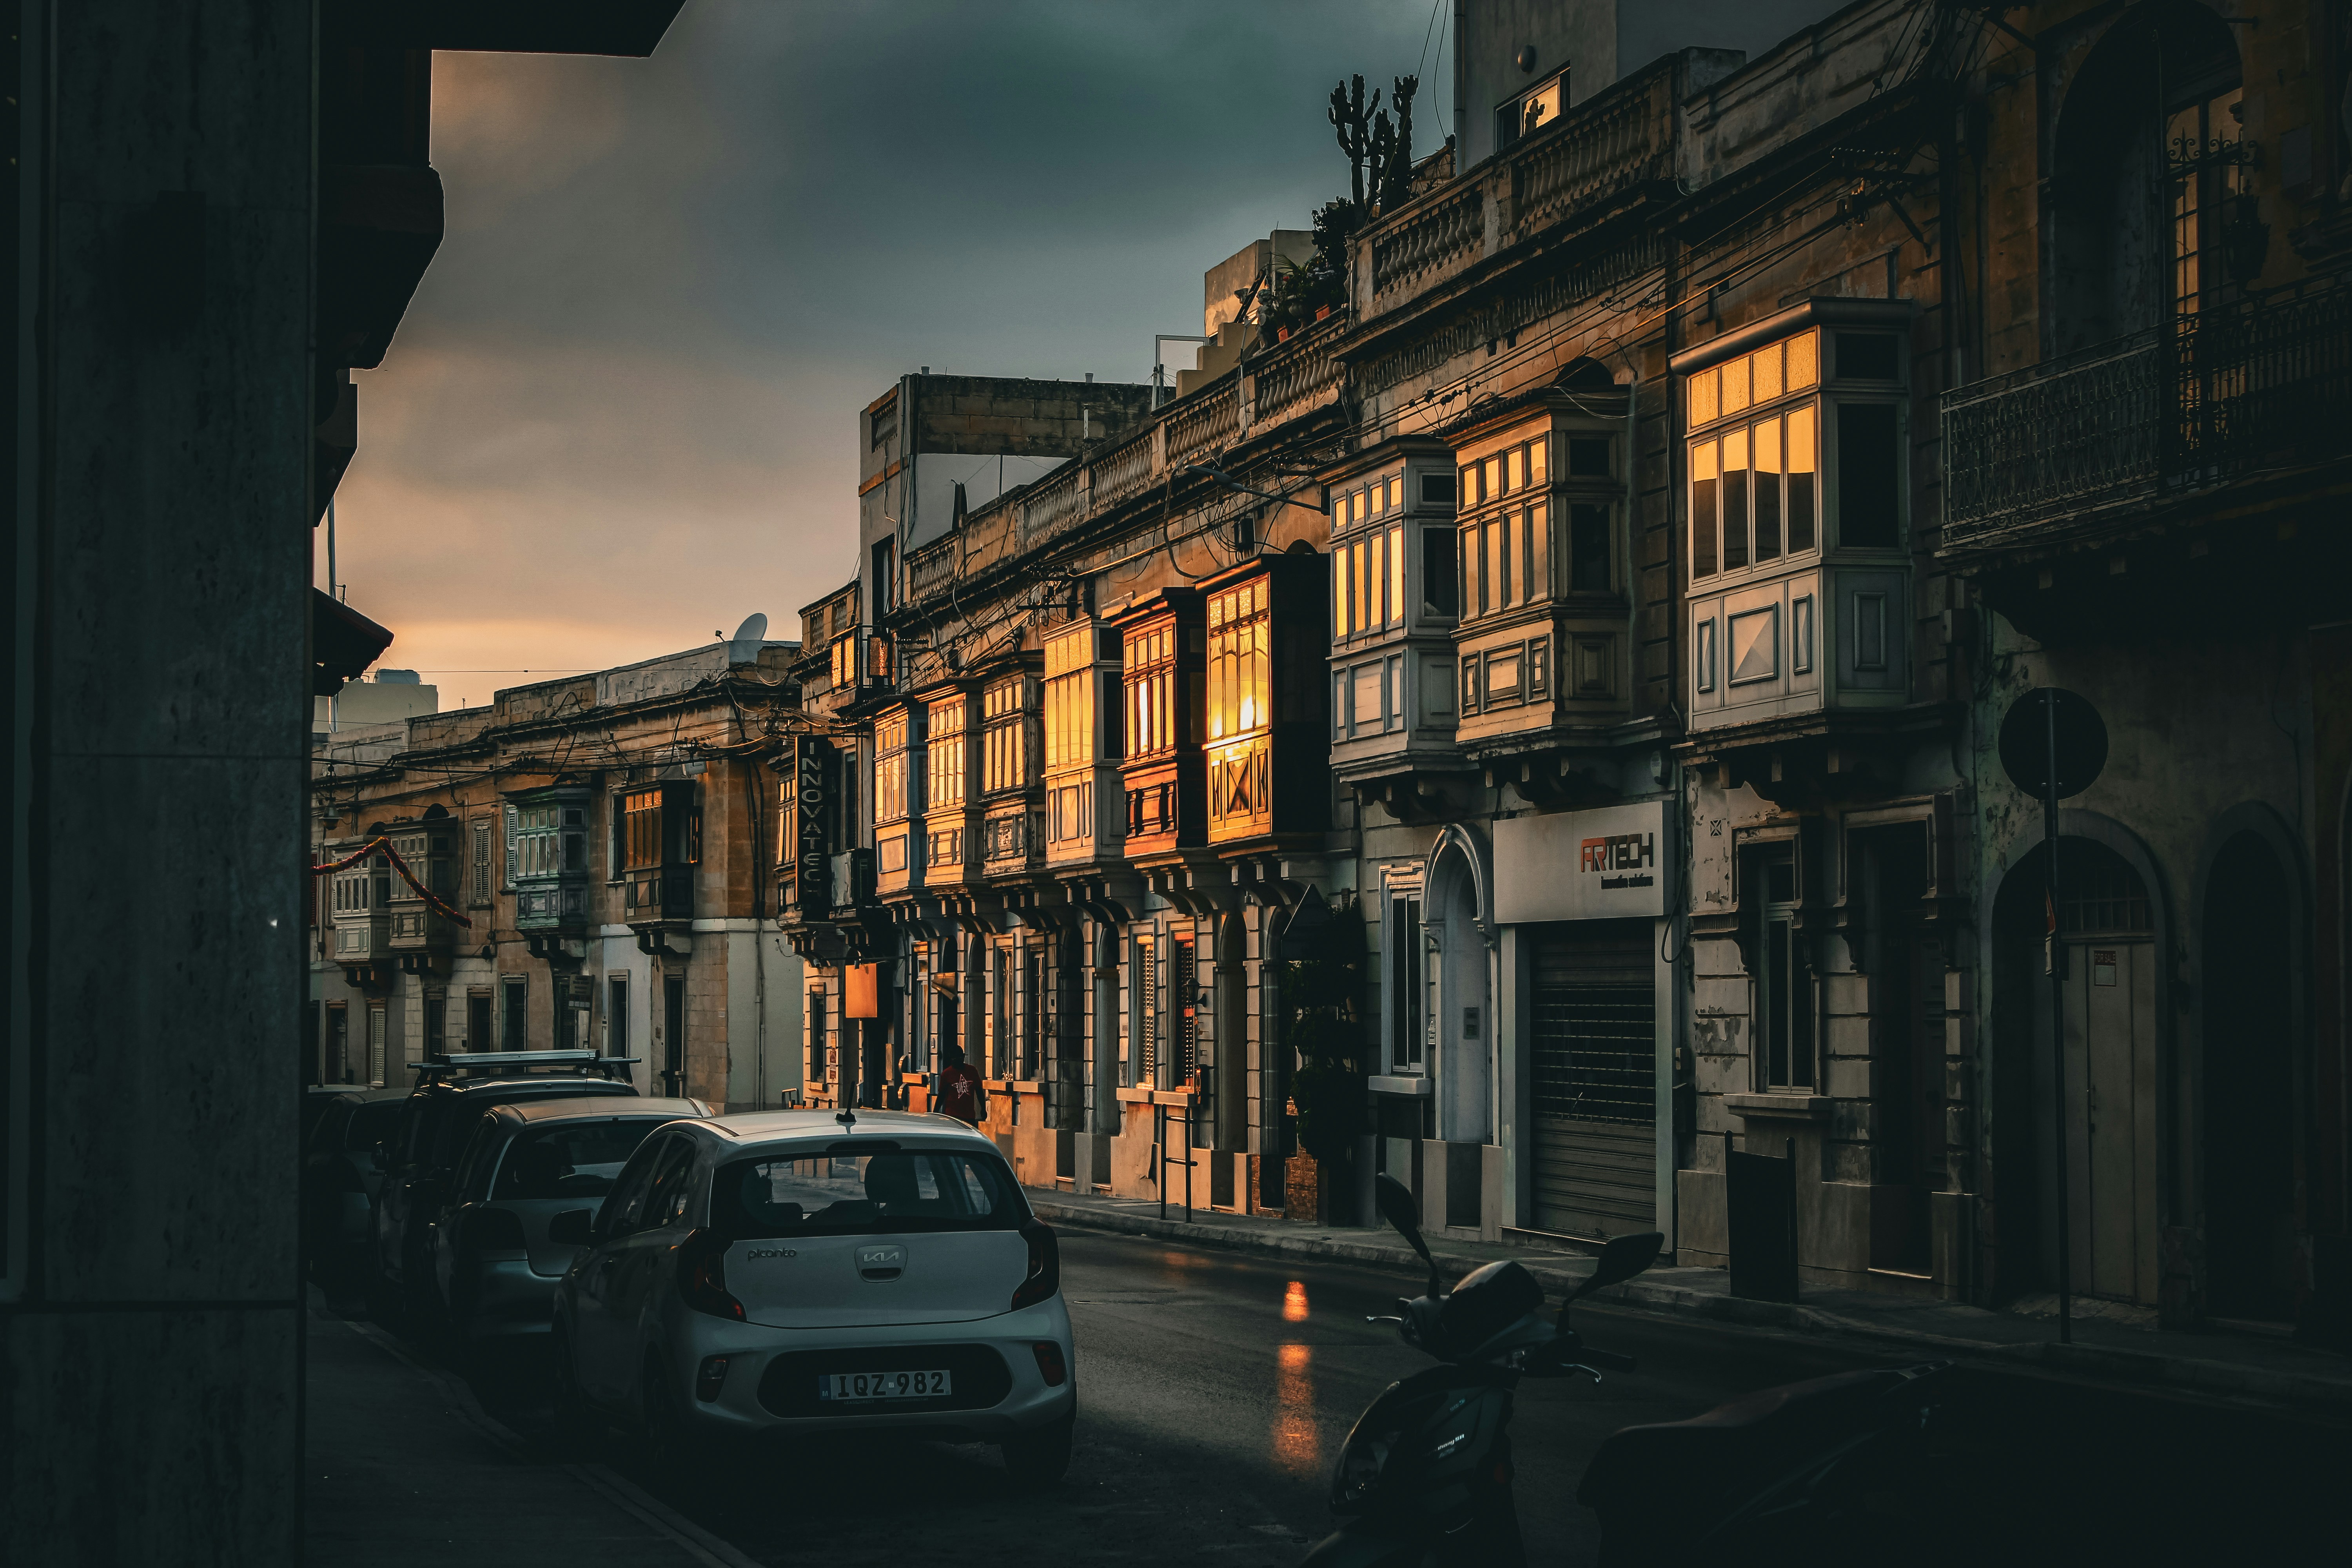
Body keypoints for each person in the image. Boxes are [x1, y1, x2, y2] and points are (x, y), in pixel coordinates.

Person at [934, 1042, 986, 1127]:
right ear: (951, 1059)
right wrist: (935, 1112)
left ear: (964, 1056)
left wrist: (983, 1108)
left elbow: (979, 1091)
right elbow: (942, 1095)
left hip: (969, 1115)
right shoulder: (947, 1074)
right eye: (955, 1059)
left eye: (961, 1058)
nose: (959, 1061)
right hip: (952, 1116)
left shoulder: (972, 1071)